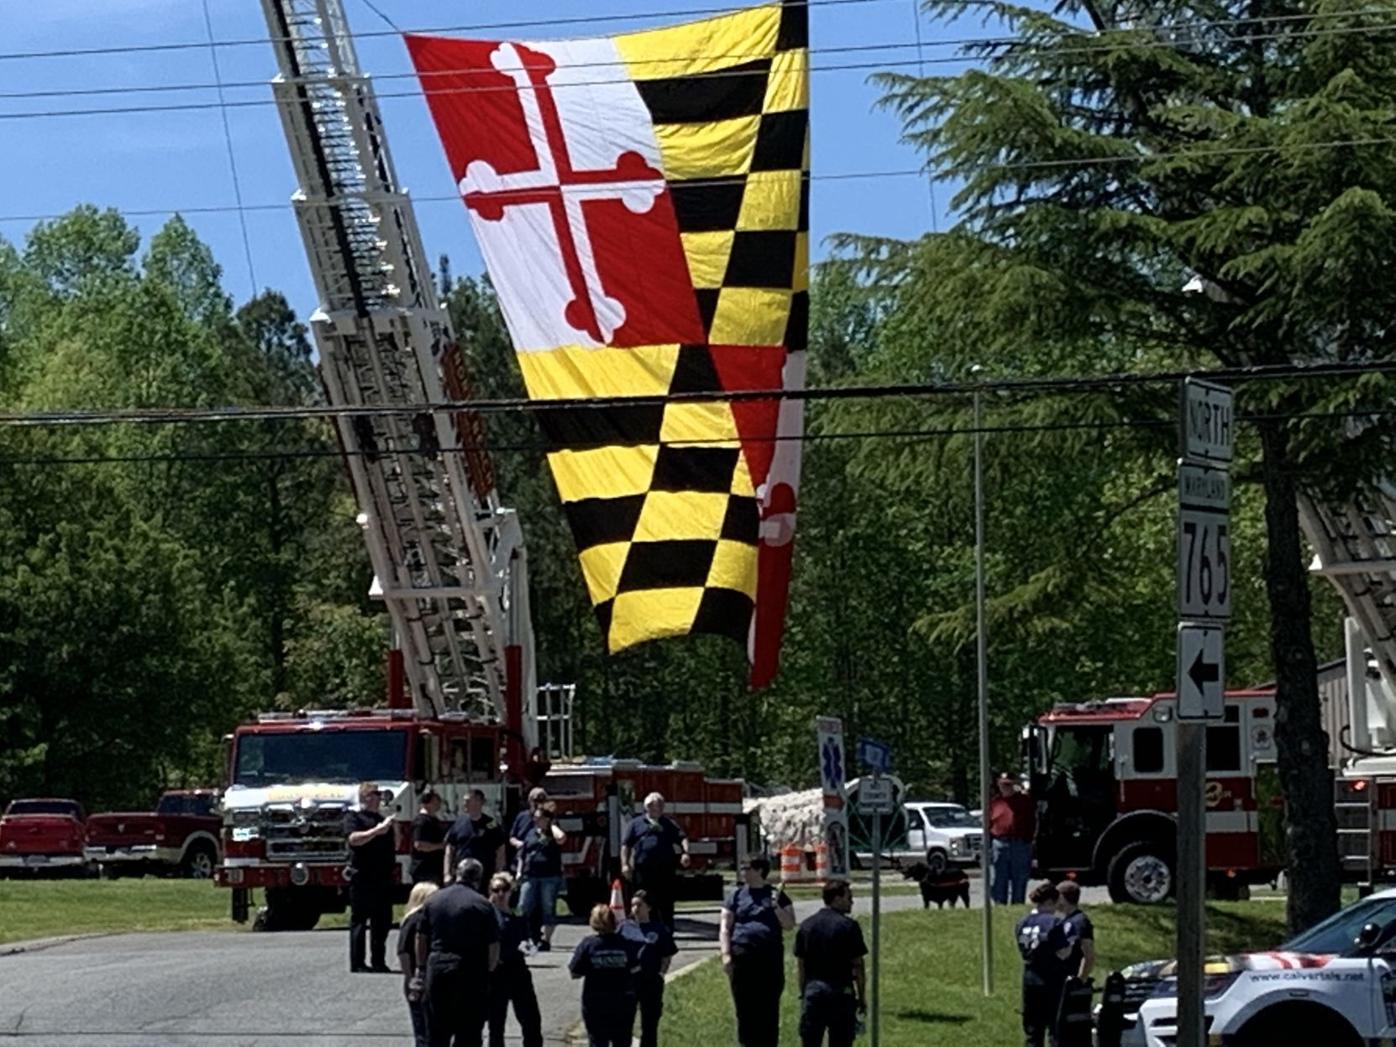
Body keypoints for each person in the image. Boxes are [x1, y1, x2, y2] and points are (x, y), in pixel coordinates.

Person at [412, 857, 500, 1047]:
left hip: (438, 966)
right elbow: (493, 945)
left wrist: (421, 968)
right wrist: (489, 971)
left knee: (437, 1029)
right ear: (479, 878)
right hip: (470, 970)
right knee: (469, 1030)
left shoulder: (433, 900)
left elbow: (421, 937)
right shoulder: (483, 904)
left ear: (456, 874)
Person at [720, 854, 796, 1046]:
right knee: (744, 1006)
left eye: (747, 868)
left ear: (759, 870)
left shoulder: (777, 895)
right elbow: (725, 927)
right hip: (742, 954)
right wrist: (726, 955)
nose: (743, 872)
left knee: (768, 1006)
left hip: (769, 957)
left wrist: (775, 906)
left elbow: (789, 924)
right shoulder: (736, 896)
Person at [794, 879, 867, 1047]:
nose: (852, 902)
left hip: (814, 992)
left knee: (810, 1041)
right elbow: (858, 965)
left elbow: (801, 965)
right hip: (840, 993)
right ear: (837, 898)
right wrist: (861, 996)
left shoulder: (807, 926)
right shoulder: (849, 926)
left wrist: (804, 992)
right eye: (849, 898)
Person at [569, 902, 642, 1047]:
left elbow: (575, 972)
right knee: (622, 1040)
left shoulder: (588, 945)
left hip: (596, 1001)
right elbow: (636, 968)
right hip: (623, 1000)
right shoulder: (626, 944)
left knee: (597, 1041)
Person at [344, 780, 397, 973]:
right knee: (360, 920)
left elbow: (395, 845)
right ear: (365, 797)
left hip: (383, 876)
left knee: (382, 920)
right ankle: (358, 962)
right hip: (362, 876)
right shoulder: (354, 817)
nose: (378, 798)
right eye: (375, 795)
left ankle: (378, 961)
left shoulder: (382, 819)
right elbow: (353, 840)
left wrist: (393, 828)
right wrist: (376, 831)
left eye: (379, 795)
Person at [486, 872, 543, 1047]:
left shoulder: (518, 916)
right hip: (497, 972)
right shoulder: (487, 915)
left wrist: (529, 947)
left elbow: (526, 940)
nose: (500, 894)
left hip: (518, 969)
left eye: (505, 889)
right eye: (496, 890)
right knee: (496, 1022)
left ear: (511, 891)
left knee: (531, 1019)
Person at [621, 791, 691, 930]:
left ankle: (667, 931)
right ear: (647, 807)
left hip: (665, 870)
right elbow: (626, 845)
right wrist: (625, 864)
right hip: (643, 870)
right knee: (644, 900)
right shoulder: (636, 823)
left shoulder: (668, 823)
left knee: (666, 902)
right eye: (653, 806)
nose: (657, 809)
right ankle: (645, 928)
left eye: (660, 806)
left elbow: (682, 838)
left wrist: (686, 853)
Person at [1016, 881, 1070, 1047]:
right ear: (1050, 902)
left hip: (1030, 978)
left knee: (1033, 1030)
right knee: (1055, 1028)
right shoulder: (1054, 923)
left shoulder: (1022, 923)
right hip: (1052, 980)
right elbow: (1063, 952)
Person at [622, 889, 678, 1047]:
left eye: (639, 905)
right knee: (624, 1022)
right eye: (633, 905)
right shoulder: (624, 928)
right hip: (629, 982)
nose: (635, 909)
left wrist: (661, 973)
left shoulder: (659, 929)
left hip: (651, 981)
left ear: (649, 908)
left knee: (650, 1024)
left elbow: (667, 954)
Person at [517, 803, 566, 951]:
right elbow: (523, 854)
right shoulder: (531, 833)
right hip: (530, 875)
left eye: (539, 818)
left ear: (547, 819)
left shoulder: (553, 833)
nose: (536, 820)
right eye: (535, 818)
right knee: (523, 905)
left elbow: (562, 838)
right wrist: (519, 872)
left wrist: (552, 825)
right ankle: (525, 937)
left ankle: (546, 940)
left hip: (549, 876)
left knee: (548, 908)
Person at [1055, 880, 1096, 1047]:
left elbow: (1088, 955)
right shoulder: (1065, 921)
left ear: (1063, 898)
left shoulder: (1080, 921)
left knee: (1075, 1032)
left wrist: (1079, 981)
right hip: (1062, 983)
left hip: (1073, 985)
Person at [398, 881, 439, 1047]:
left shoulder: (424, 918)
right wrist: (410, 977)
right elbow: (403, 952)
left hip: (425, 975)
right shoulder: (415, 920)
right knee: (423, 1026)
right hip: (419, 976)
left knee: (425, 1027)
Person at [990, 772, 1036, 905]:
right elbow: (988, 824)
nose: (1006, 787)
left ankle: (1018, 905)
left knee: (1020, 878)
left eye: (1009, 784)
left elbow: (1033, 821)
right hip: (999, 843)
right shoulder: (994, 802)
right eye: (1003, 784)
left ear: (1014, 785)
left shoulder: (1024, 801)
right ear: (999, 785)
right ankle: (1000, 905)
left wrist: (1030, 840)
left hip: (1020, 844)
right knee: (999, 878)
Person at [445, 789, 506, 883]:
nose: (464, 804)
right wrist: (447, 873)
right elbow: (450, 848)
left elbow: (500, 849)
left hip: (485, 875)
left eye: (467, 801)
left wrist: (499, 873)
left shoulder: (491, 824)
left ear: (478, 802)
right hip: (462, 874)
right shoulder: (459, 822)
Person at [411, 791, 448, 885]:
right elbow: (419, 845)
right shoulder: (422, 821)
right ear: (428, 803)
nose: (439, 804)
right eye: (436, 801)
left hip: (435, 868)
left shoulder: (434, 820)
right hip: (425, 869)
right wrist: (441, 846)